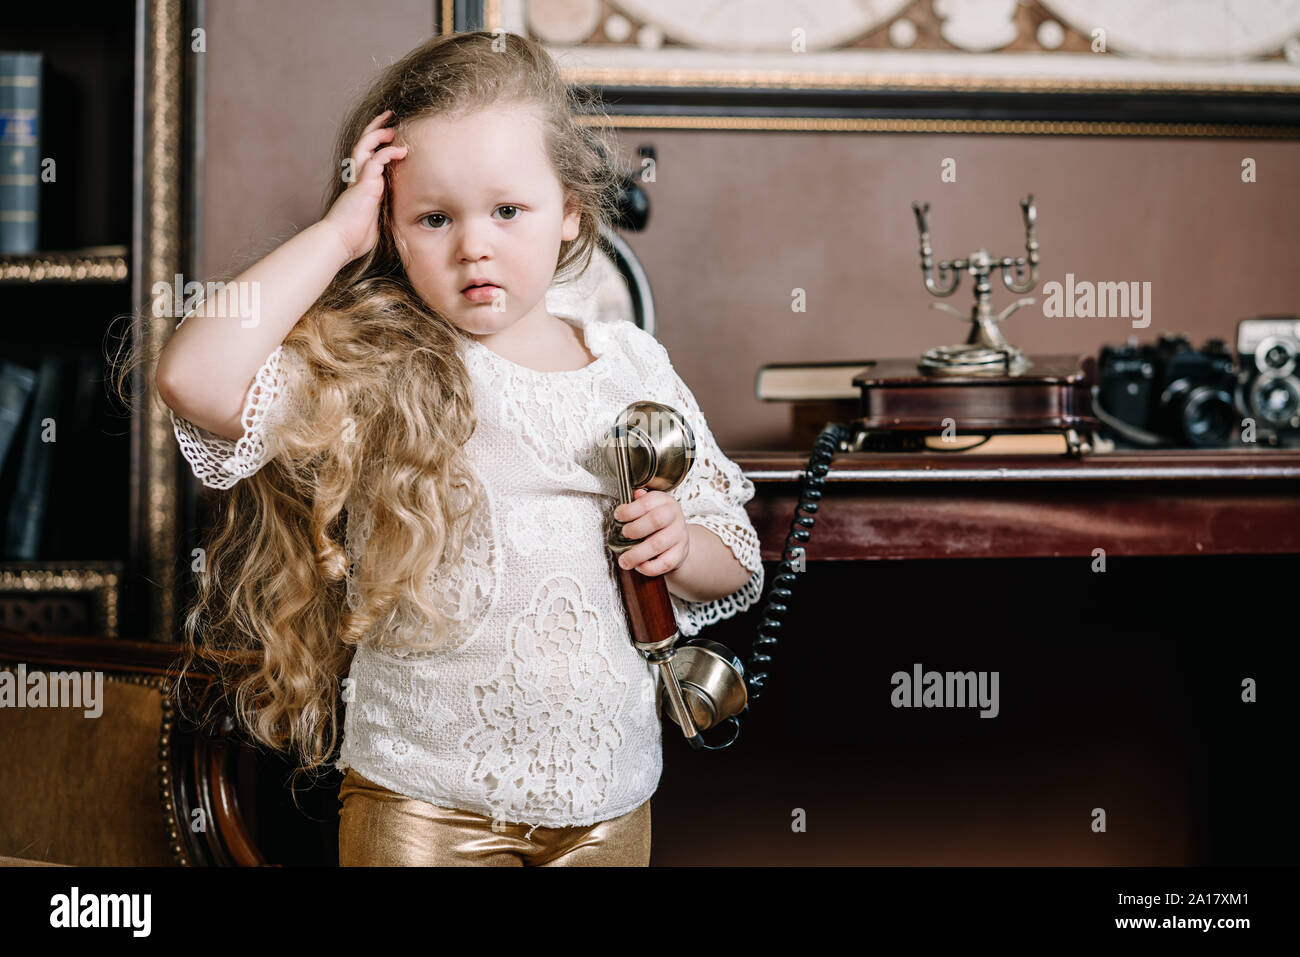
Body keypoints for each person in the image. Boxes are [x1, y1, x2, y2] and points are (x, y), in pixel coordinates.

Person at [146, 30, 764, 866]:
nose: (475, 244)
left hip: (609, 799)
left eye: (508, 210)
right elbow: (195, 379)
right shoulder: (381, 361)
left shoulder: (630, 364)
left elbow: (735, 552)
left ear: (571, 210)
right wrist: (334, 235)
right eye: (434, 218)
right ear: (393, 232)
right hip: (421, 801)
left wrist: (681, 545)